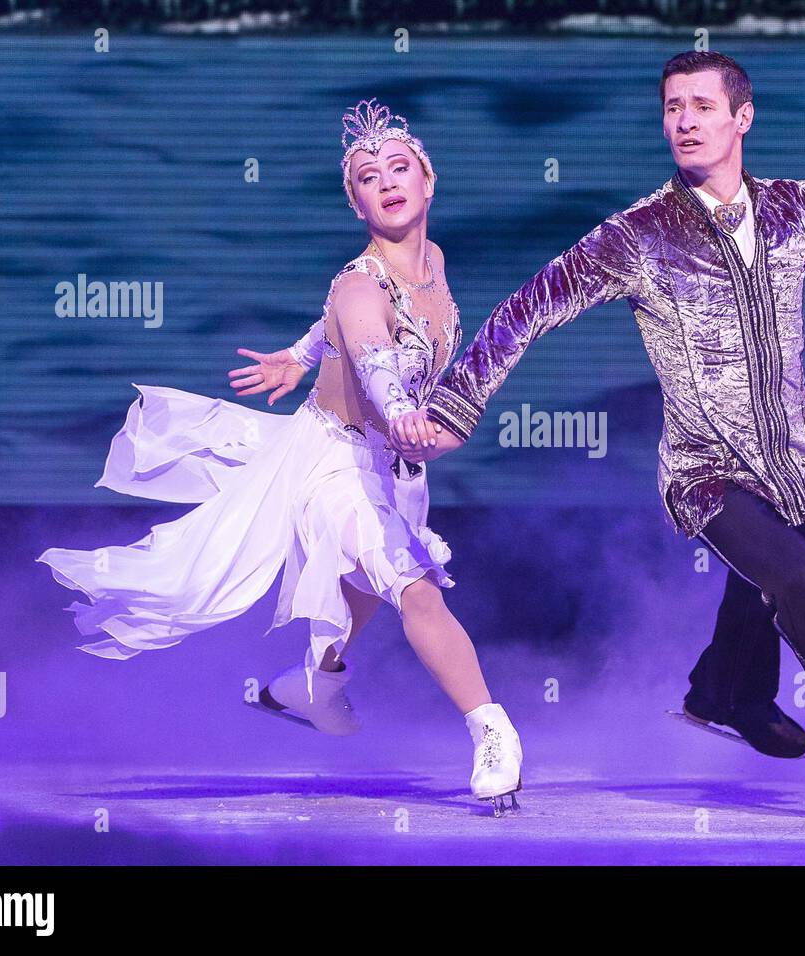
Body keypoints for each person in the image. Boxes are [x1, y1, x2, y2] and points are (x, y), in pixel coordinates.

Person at [391, 52, 805, 829]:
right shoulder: (639, 237)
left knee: (762, 599)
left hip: (800, 465)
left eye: (701, 106)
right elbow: (528, 308)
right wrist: (455, 405)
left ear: (741, 118)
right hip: (706, 476)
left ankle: (727, 694)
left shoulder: (796, 209)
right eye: (672, 107)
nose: (683, 121)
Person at [36, 99, 523, 815]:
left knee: (358, 585)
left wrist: (299, 356)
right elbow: (372, 349)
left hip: (389, 465)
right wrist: (403, 415)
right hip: (333, 460)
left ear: (428, 180)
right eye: (366, 176)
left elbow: (340, 329)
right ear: (354, 201)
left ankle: (314, 686)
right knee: (412, 584)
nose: (385, 181)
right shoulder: (360, 281)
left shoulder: (432, 263)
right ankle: (493, 731)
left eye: (397, 168)